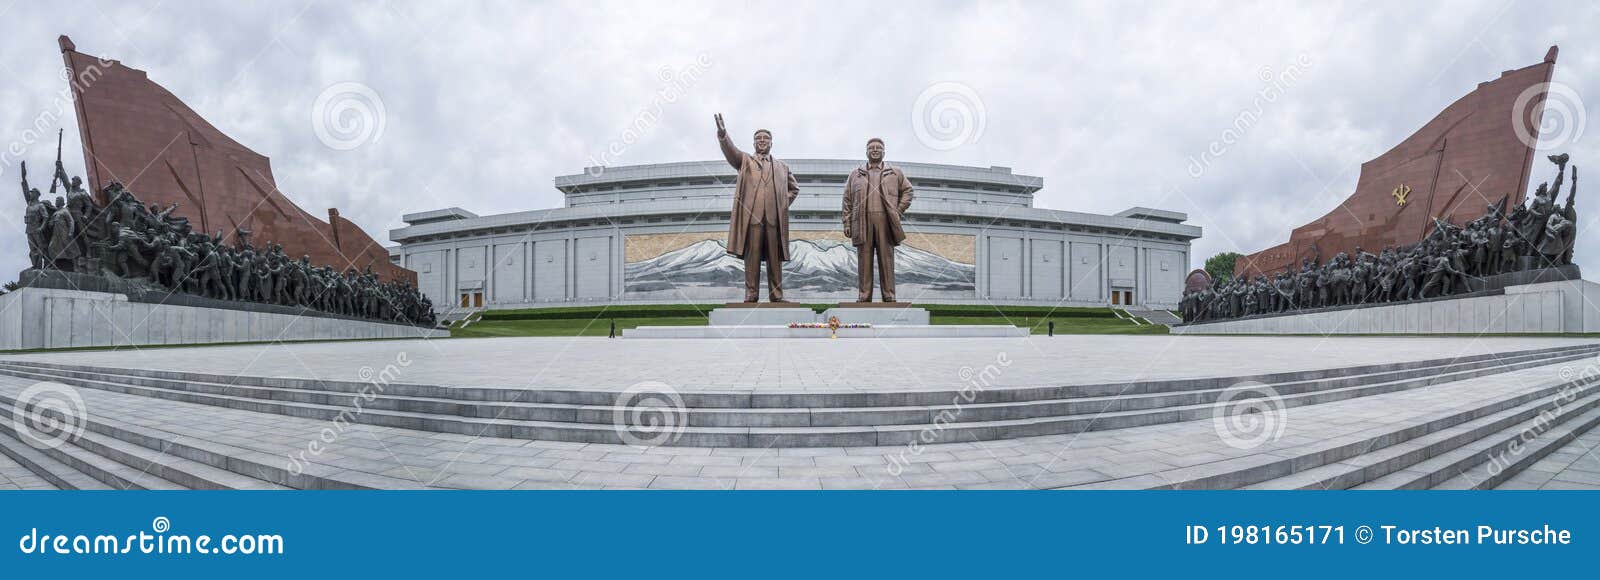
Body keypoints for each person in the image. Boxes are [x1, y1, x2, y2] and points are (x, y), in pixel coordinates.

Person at [715, 113, 799, 303]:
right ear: (753, 143)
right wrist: (723, 135)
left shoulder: (782, 167)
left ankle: (776, 295)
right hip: (752, 219)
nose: (762, 140)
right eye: (758, 138)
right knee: (751, 258)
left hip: (774, 221)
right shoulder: (745, 161)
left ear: (771, 143)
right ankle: (751, 294)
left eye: (766, 138)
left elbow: (794, 189)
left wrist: (782, 204)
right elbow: (731, 152)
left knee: (775, 259)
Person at [842, 138, 914, 302]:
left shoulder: (895, 173)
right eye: (871, 148)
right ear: (866, 152)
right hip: (862, 221)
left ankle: (889, 295)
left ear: (884, 152)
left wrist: (898, 210)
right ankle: (864, 295)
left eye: (878, 148)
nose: (875, 150)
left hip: (886, 222)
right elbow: (847, 199)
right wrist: (847, 222)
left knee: (886, 259)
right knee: (864, 260)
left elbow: (908, 191)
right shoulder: (855, 174)